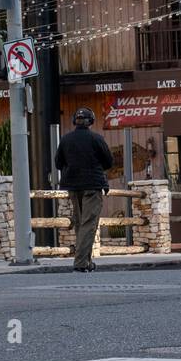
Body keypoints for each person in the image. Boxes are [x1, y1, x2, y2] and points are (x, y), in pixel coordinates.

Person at [55, 107, 114, 272]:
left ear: (75, 121)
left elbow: (58, 163)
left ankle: (86, 262)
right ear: (91, 121)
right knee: (89, 223)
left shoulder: (65, 140)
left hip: (73, 186)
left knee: (80, 223)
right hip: (92, 186)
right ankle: (81, 263)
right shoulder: (96, 139)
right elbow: (108, 161)